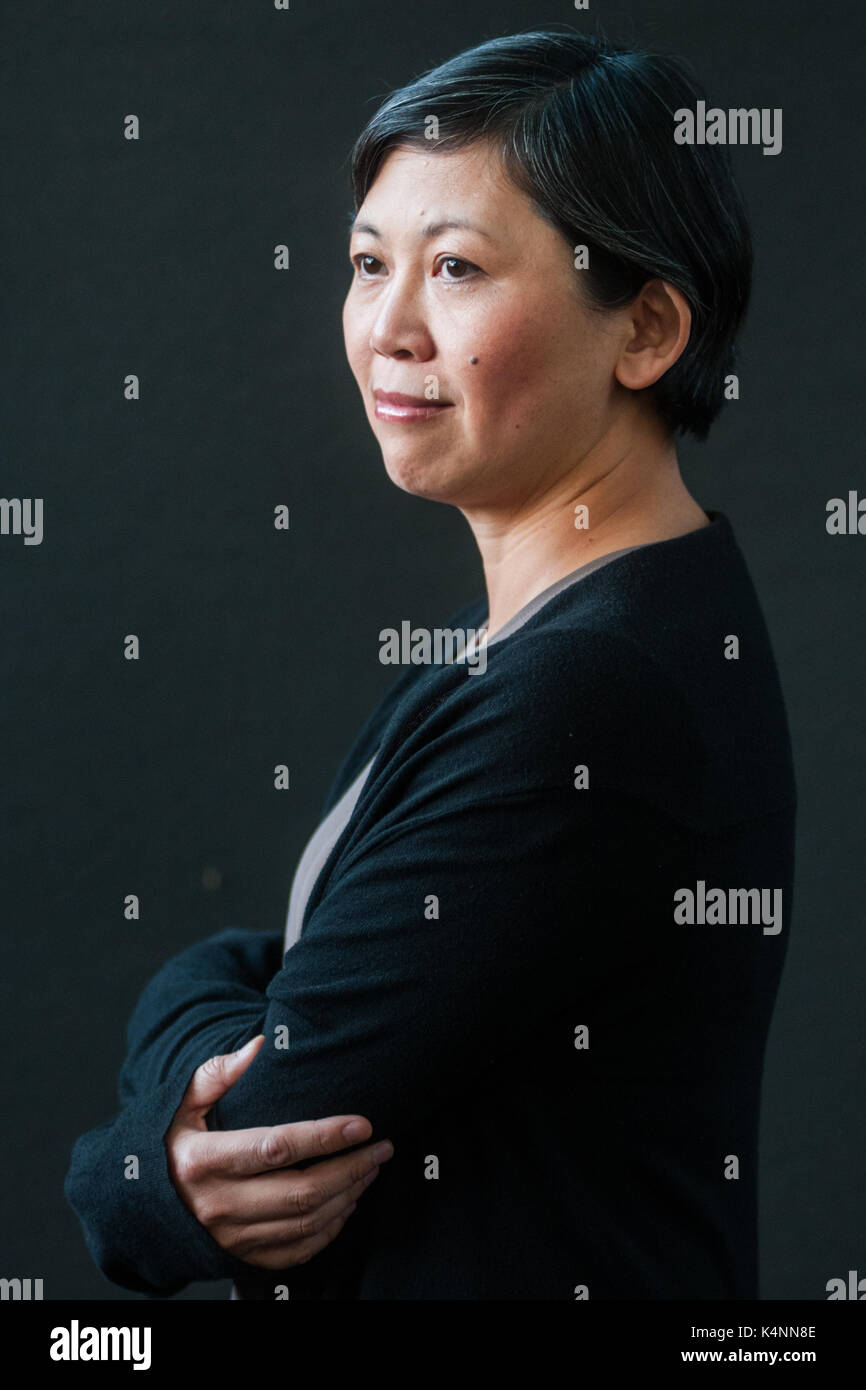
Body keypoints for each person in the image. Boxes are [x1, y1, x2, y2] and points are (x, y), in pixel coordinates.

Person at [65, 26, 797, 1300]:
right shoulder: (573, 639)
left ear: (647, 328)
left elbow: (265, 1125)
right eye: (366, 263)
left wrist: (127, 1169)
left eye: (455, 267)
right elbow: (281, 969)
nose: (387, 327)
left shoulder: (586, 695)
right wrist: (192, 1044)